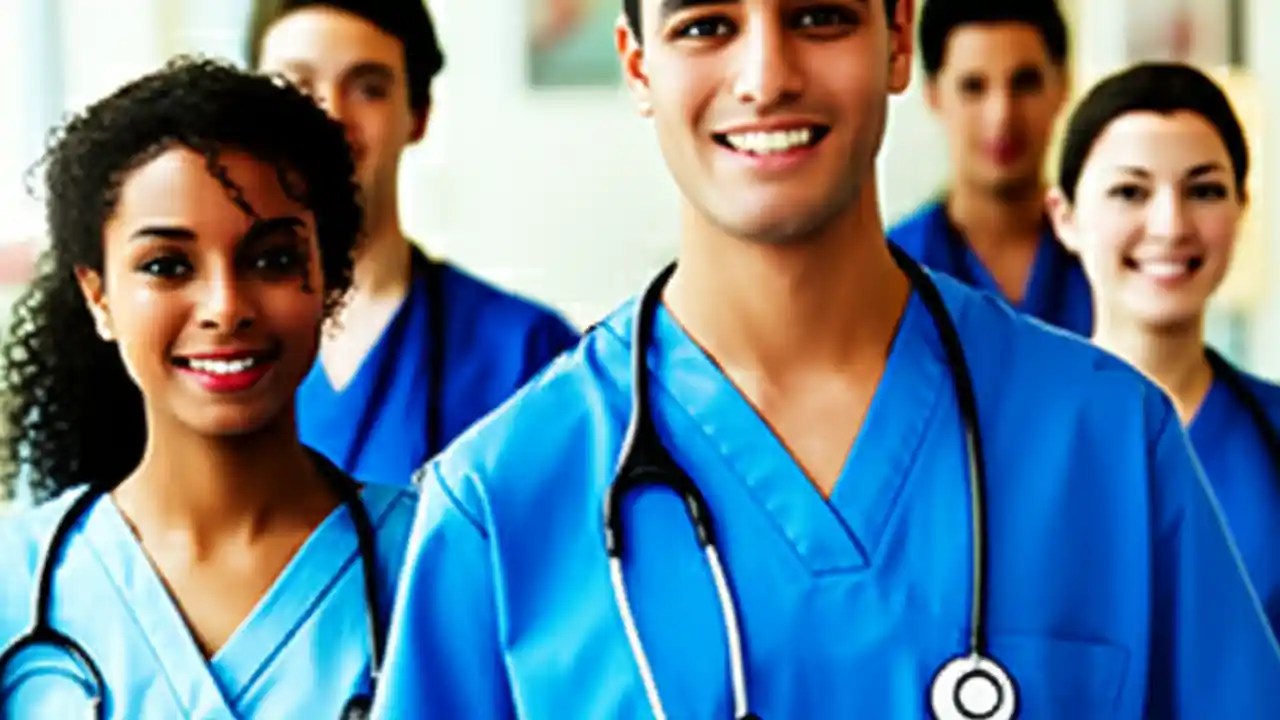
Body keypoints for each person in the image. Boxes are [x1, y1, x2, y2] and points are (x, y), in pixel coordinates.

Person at [372, 0, 1280, 717]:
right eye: (707, 25)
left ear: (897, 38)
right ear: (638, 64)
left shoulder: (1111, 442)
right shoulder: (500, 502)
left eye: (819, 17)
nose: (766, 76)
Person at [0, 57, 415, 717]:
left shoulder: (435, 560)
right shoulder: (13, 583)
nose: (225, 306)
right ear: (99, 296)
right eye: (167, 266)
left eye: (273, 259)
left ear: (329, 279)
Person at [247, 0, 581, 487]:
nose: (330, 115)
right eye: (295, 86)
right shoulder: (210, 342)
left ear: (418, 116)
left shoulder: (525, 353)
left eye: (368, 88)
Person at [1048, 62, 1280, 636]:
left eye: (1204, 190)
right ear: (1066, 217)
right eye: (1131, 191)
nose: (1171, 225)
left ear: (1241, 209)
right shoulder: (1000, 445)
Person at [889, 0, 1092, 335]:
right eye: (973, 87)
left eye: (1025, 83)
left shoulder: (1110, 258)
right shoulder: (890, 274)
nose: (1002, 116)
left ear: (1063, 86)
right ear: (933, 94)